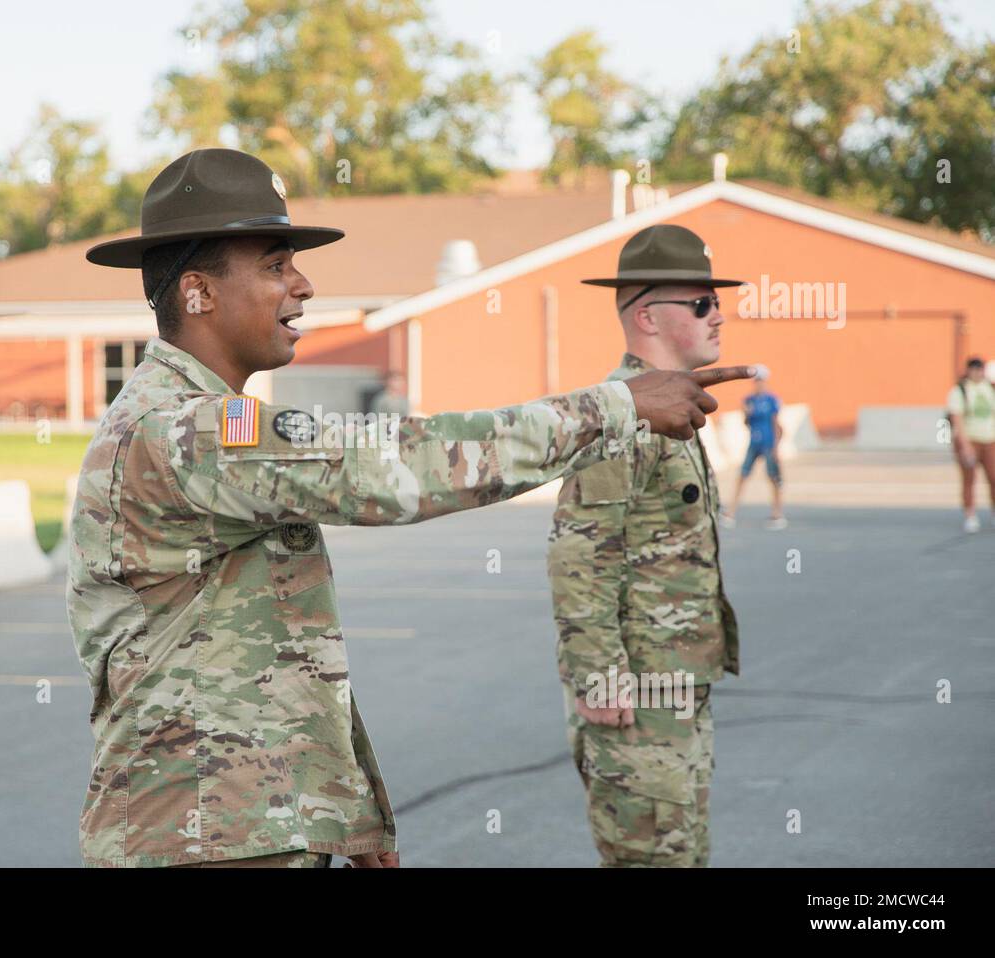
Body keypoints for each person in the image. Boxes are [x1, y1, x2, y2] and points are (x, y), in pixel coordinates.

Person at [67, 149, 753, 868]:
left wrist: (351, 809)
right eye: (276, 265)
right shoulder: (185, 430)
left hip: (250, 828)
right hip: (204, 835)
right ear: (200, 292)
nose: (302, 284)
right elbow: (395, 464)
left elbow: (275, 652)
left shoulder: (203, 422)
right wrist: (617, 405)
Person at [549, 224, 743, 867]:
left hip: (678, 684)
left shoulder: (670, 407)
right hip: (637, 692)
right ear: (649, 316)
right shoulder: (622, 416)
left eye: (717, 300)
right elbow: (582, 555)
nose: (719, 314)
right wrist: (600, 676)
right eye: (702, 303)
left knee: (683, 854)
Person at [722, 364, 785, 530]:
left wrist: (777, 447)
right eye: (756, 381)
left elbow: (777, 425)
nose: (758, 384)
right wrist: (746, 413)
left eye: (761, 381)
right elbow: (746, 423)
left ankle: (777, 513)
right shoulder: (748, 401)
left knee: (773, 478)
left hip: (768, 443)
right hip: (754, 443)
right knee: (743, 475)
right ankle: (731, 512)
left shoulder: (771, 400)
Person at [946, 356, 995, 533]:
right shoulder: (960, 390)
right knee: (969, 478)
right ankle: (970, 515)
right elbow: (957, 419)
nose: (977, 373)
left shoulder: (989, 388)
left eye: (979, 369)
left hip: (990, 439)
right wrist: (965, 445)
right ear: (968, 371)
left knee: (993, 477)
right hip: (970, 439)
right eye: (973, 369)